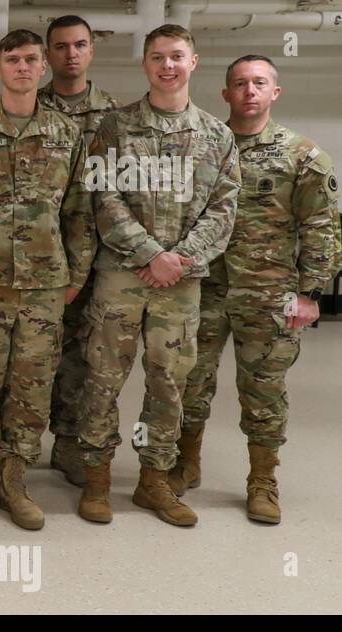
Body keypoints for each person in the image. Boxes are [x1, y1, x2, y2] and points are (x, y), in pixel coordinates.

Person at [76, 25, 240, 527]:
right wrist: (150, 253)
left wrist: (180, 259)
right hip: (121, 277)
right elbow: (102, 197)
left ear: (193, 61)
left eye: (176, 56)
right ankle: (97, 479)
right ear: (144, 65)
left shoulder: (217, 135)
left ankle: (154, 481)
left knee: (169, 384)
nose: (167, 66)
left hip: (181, 283)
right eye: (156, 57)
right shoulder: (114, 126)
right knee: (103, 379)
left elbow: (224, 209)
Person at [174, 55, 340, 524]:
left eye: (259, 83)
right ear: (225, 94)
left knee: (264, 390)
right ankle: (186, 463)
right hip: (203, 289)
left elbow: (322, 226)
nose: (250, 90)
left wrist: (311, 293)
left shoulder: (301, 155)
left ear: (275, 93)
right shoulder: (203, 146)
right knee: (190, 382)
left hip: (269, 295)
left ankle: (262, 480)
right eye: (240, 84)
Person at [0, 30, 93, 530]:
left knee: (31, 385)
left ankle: (15, 477)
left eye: (32, 59)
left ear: (44, 67)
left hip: (45, 284)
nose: (23, 68)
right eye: (13, 59)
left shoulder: (65, 134)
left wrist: (75, 274)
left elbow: (79, 209)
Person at [39, 15, 120, 486]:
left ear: (91, 51)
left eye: (79, 45)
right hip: (42, 257)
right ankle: (19, 447)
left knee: (85, 358)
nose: (71, 54)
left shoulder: (114, 114)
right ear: (49, 55)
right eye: (61, 46)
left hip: (102, 255)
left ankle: (69, 444)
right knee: (35, 356)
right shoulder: (32, 105)